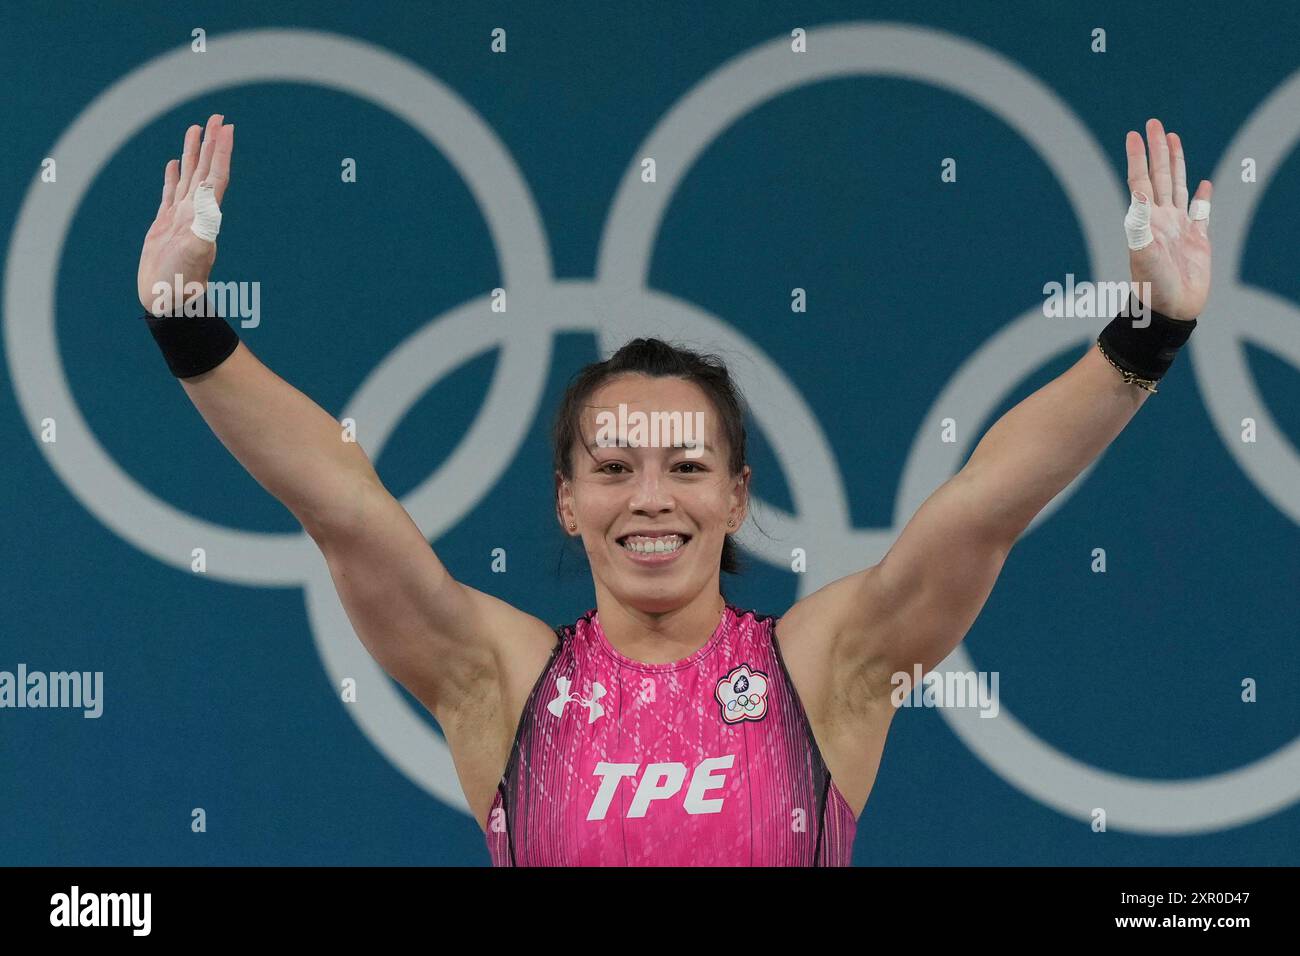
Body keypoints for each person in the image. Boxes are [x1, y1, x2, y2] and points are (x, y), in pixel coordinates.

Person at [136, 114, 1212, 866]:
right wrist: (188, 324)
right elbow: (342, 504)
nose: (651, 497)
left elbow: (986, 502)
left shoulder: (824, 665)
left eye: (686, 467)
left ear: (738, 495)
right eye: (613, 468)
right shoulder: (497, 679)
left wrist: (1148, 334)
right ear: (566, 501)